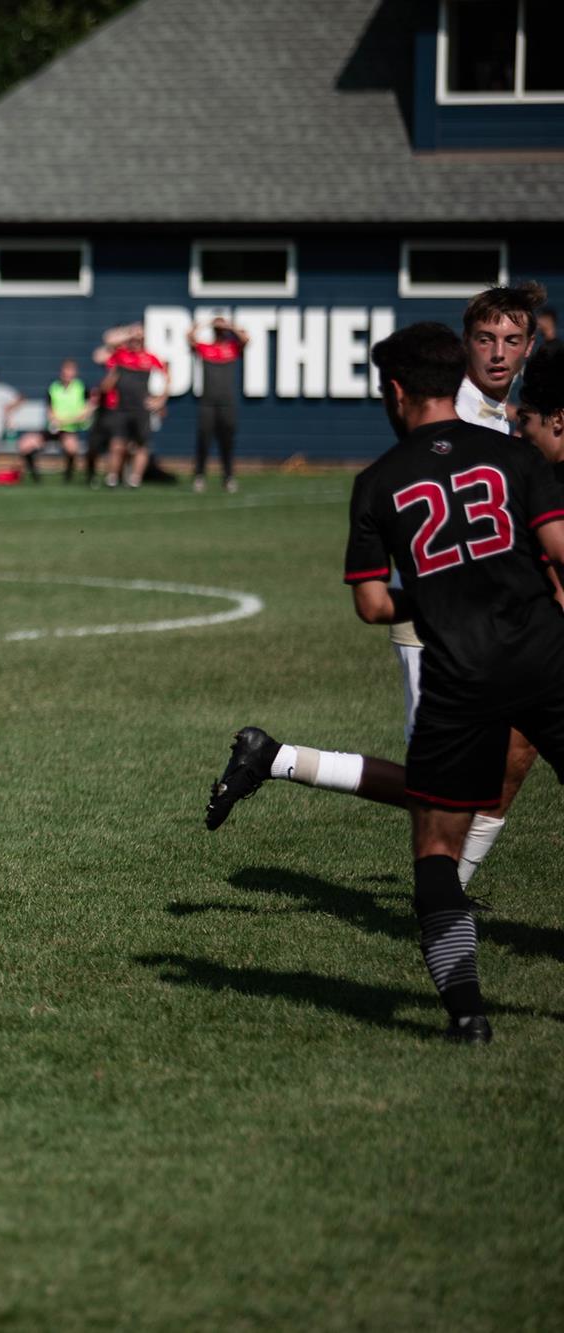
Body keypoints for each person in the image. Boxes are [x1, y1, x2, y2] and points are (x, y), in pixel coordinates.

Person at [208, 287, 555, 892]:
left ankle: (450, 890)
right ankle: (281, 761)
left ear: (531, 346)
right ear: (463, 343)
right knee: (444, 788)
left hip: (500, 621)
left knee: (512, 761)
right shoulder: (455, 416)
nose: (498, 354)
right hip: (433, 619)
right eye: (485, 339)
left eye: (513, 341)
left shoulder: (504, 419)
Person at [340, 322, 564, 1042]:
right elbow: (560, 549)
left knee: (437, 851)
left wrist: (435, 595)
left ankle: (468, 1013)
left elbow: (373, 604)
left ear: (397, 391)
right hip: (544, 659)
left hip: (458, 677)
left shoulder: (376, 482)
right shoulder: (513, 454)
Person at [99, 327, 166, 488]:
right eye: (133, 338)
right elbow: (107, 340)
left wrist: (161, 399)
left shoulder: (150, 358)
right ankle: (113, 477)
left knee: (141, 444)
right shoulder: (121, 354)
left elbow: (166, 377)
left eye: (139, 337)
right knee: (117, 444)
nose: (136, 341)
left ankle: (135, 478)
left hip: (141, 408)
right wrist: (130, 332)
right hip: (122, 408)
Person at [189, 317, 248, 492]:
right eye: (219, 330)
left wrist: (230, 325)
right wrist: (208, 323)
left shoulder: (232, 348)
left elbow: (245, 340)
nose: (221, 332)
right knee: (204, 439)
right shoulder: (206, 348)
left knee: (227, 440)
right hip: (208, 402)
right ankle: (199, 475)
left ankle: (228, 476)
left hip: (227, 402)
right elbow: (189, 337)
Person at [39, 358, 93, 483]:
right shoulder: (53, 387)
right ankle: (37, 479)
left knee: (71, 448)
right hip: (55, 429)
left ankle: (69, 475)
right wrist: (55, 421)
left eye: (70, 370)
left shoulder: (82, 387)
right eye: (65, 371)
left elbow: (86, 412)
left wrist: (65, 421)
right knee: (27, 444)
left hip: (75, 429)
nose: (67, 374)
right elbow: (49, 411)